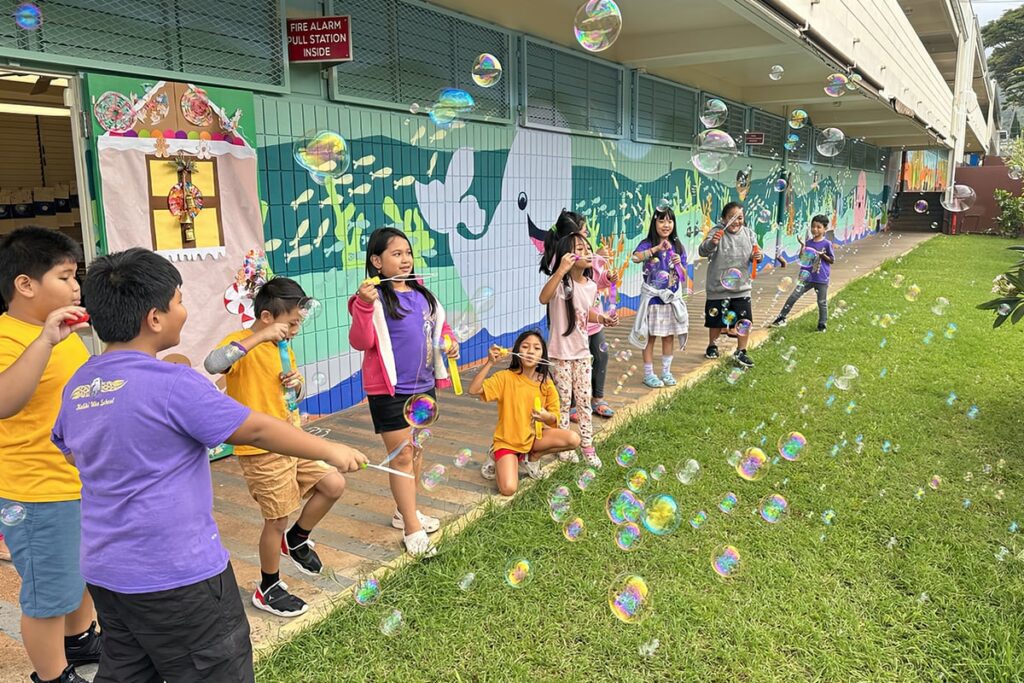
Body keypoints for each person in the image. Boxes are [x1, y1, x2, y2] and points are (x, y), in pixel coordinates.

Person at [50, 247, 368, 681]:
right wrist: (327, 450)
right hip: (179, 576)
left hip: (106, 573)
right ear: (154, 318)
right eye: (179, 301)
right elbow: (255, 429)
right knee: (217, 670)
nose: (184, 310)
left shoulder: (81, 382)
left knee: (128, 669)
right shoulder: (172, 383)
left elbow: (71, 452)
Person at [204, 276, 348, 618]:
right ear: (267, 317)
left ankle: (297, 538)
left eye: (299, 323)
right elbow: (213, 363)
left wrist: (296, 385)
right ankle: (268, 587)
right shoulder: (242, 344)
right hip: (261, 451)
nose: (296, 330)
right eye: (292, 323)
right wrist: (258, 337)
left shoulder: (284, 349)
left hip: (293, 440)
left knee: (333, 484)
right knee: (276, 519)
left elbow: (292, 396)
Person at [0, 226, 100, 683]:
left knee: (79, 572)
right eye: (65, 276)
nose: (76, 286)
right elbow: (5, 402)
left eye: (75, 276)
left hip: (76, 480)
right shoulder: (10, 337)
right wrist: (43, 341)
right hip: (36, 491)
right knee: (48, 596)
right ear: (25, 284)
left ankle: (79, 640)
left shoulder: (64, 332)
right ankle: (52, 675)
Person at [349, 227, 458, 558]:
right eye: (396, 254)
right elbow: (360, 341)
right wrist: (364, 305)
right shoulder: (371, 299)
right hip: (390, 391)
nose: (406, 259)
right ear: (376, 261)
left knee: (417, 451)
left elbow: (440, 328)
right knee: (402, 456)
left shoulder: (423, 293)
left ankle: (404, 512)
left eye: (408, 252)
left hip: (424, 387)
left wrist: (450, 343)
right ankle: (412, 529)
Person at [469, 330, 580, 496]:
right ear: (517, 351)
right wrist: (490, 363)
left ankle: (532, 458)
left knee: (573, 439)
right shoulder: (505, 377)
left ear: (542, 355)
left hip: (533, 438)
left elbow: (554, 418)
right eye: (525, 346)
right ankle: (495, 455)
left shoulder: (546, 383)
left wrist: (546, 417)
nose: (530, 351)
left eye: (536, 348)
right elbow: (473, 390)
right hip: (507, 442)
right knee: (508, 489)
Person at [539, 233, 616, 468]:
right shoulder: (560, 284)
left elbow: (585, 312)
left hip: (582, 353)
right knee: (563, 402)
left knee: (583, 401)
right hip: (560, 354)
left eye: (587, 248)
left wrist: (601, 318)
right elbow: (543, 298)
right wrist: (560, 271)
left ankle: (588, 446)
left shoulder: (591, 285)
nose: (586, 252)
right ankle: (564, 445)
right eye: (579, 249)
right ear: (567, 256)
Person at [629, 206, 689, 387]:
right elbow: (635, 258)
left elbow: (683, 276)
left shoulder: (678, 247)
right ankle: (649, 374)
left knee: (668, 336)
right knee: (649, 337)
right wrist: (656, 248)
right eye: (661, 220)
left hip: (669, 300)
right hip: (653, 300)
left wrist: (679, 264)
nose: (666, 225)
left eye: (670, 221)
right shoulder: (647, 243)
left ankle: (666, 372)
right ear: (654, 223)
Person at [698, 202, 762, 368]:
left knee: (744, 320)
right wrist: (712, 243)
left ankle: (741, 350)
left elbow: (756, 253)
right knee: (715, 321)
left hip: (741, 287)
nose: (736, 221)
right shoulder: (717, 232)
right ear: (723, 219)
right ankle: (712, 345)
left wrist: (758, 256)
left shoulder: (749, 234)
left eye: (739, 218)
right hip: (718, 287)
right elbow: (702, 251)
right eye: (731, 217)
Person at [770, 215, 835, 332]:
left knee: (822, 302)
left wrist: (822, 255)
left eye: (819, 227)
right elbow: (803, 258)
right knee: (793, 296)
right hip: (806, 277)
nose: (815, 229)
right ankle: (781, 318)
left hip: (821, 278)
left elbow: (831, 260)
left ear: (825, 228)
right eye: (813, 226)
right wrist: (802, 247)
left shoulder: (827, 244)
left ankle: (822, 324)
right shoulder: (808, 242)